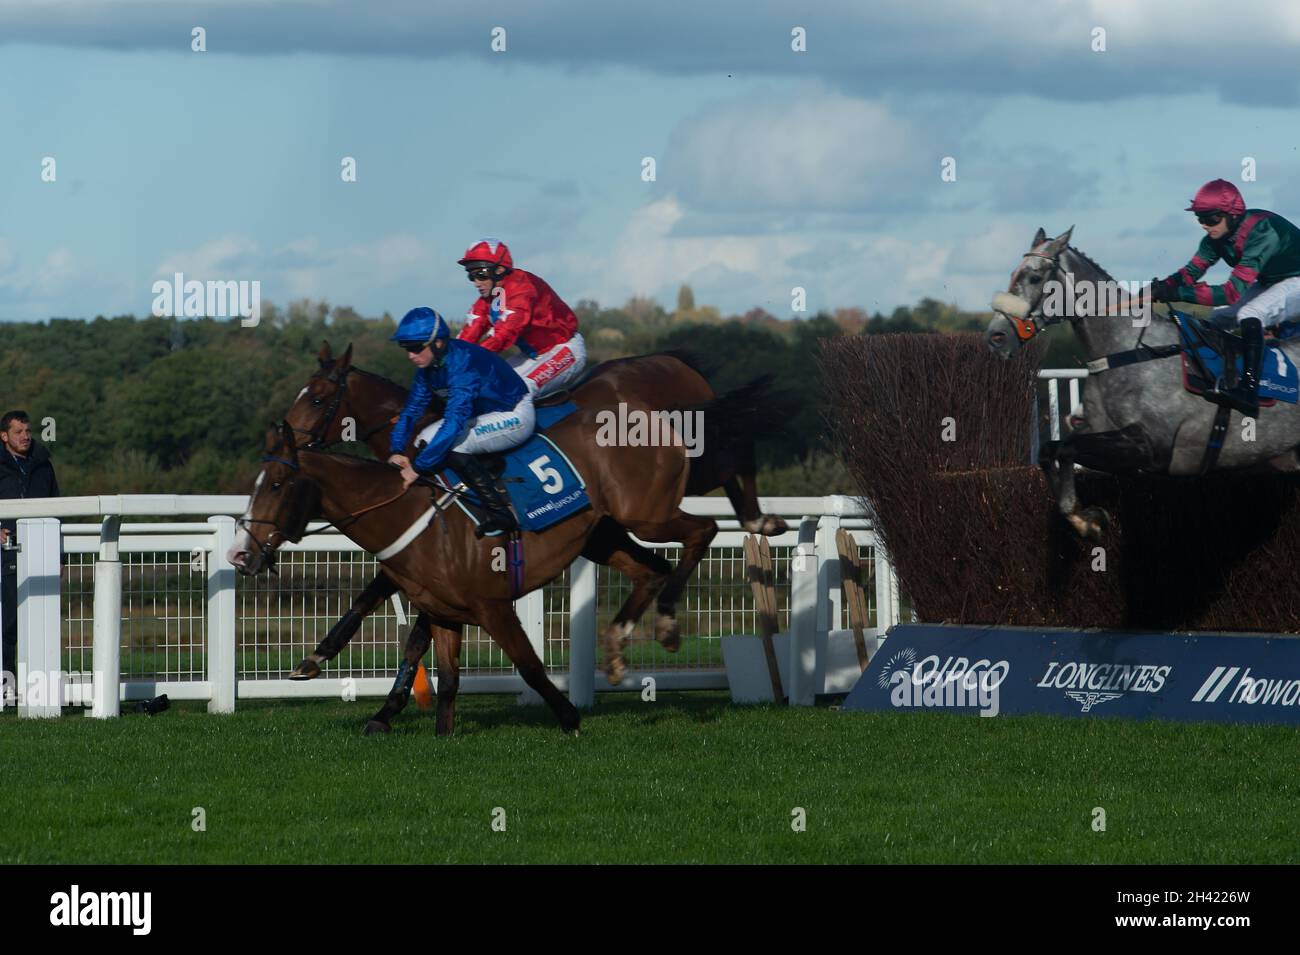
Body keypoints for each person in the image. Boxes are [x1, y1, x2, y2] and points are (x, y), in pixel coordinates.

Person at [1151, 179, 1300, 417]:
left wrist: (1177, 293)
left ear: (1232, 215)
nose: (1205, 225)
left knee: (1250, 314)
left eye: (1211, 219)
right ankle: (1215, 374)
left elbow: (1231, 292)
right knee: (1218, 318)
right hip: (1272, 281)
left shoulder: (1263, 232)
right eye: (1200, 218)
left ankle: (1249, 391)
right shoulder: (1214, 240)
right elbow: (1190, 272)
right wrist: (1163, 286)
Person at [387, 307, 534, 537]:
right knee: (423, 439)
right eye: (406, 348)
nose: (410, 356)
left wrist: (417, 468)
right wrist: (396, 449)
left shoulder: (462, 364)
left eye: (416, 348)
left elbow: (455, 422)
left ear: (438, 343)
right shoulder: (428, 369)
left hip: (514, 413)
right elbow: (410, 411)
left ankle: (500, 513)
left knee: (454, 444)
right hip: (484, 415)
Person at [456, 238, 587, 399]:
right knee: (484, 389)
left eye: (481, 275)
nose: (476, 283)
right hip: (531, 356)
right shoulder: (487, 299)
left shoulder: (522, 289)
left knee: (517, 392)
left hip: (564, 349)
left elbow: (503, 335)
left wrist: (469, 364)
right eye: (471, 276)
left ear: (499, 270)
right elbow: (467, 336)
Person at [1, 411, 60, 703]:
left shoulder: (43, 466)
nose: (25, 436)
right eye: (18, 431)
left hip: (40, 555)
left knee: (40, 625)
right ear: (4, 436)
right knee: (8, 626)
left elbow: (57, 510)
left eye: (27, 431)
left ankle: (38, 691)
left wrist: (60, 556)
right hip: (5, 556)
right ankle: (6, 691)